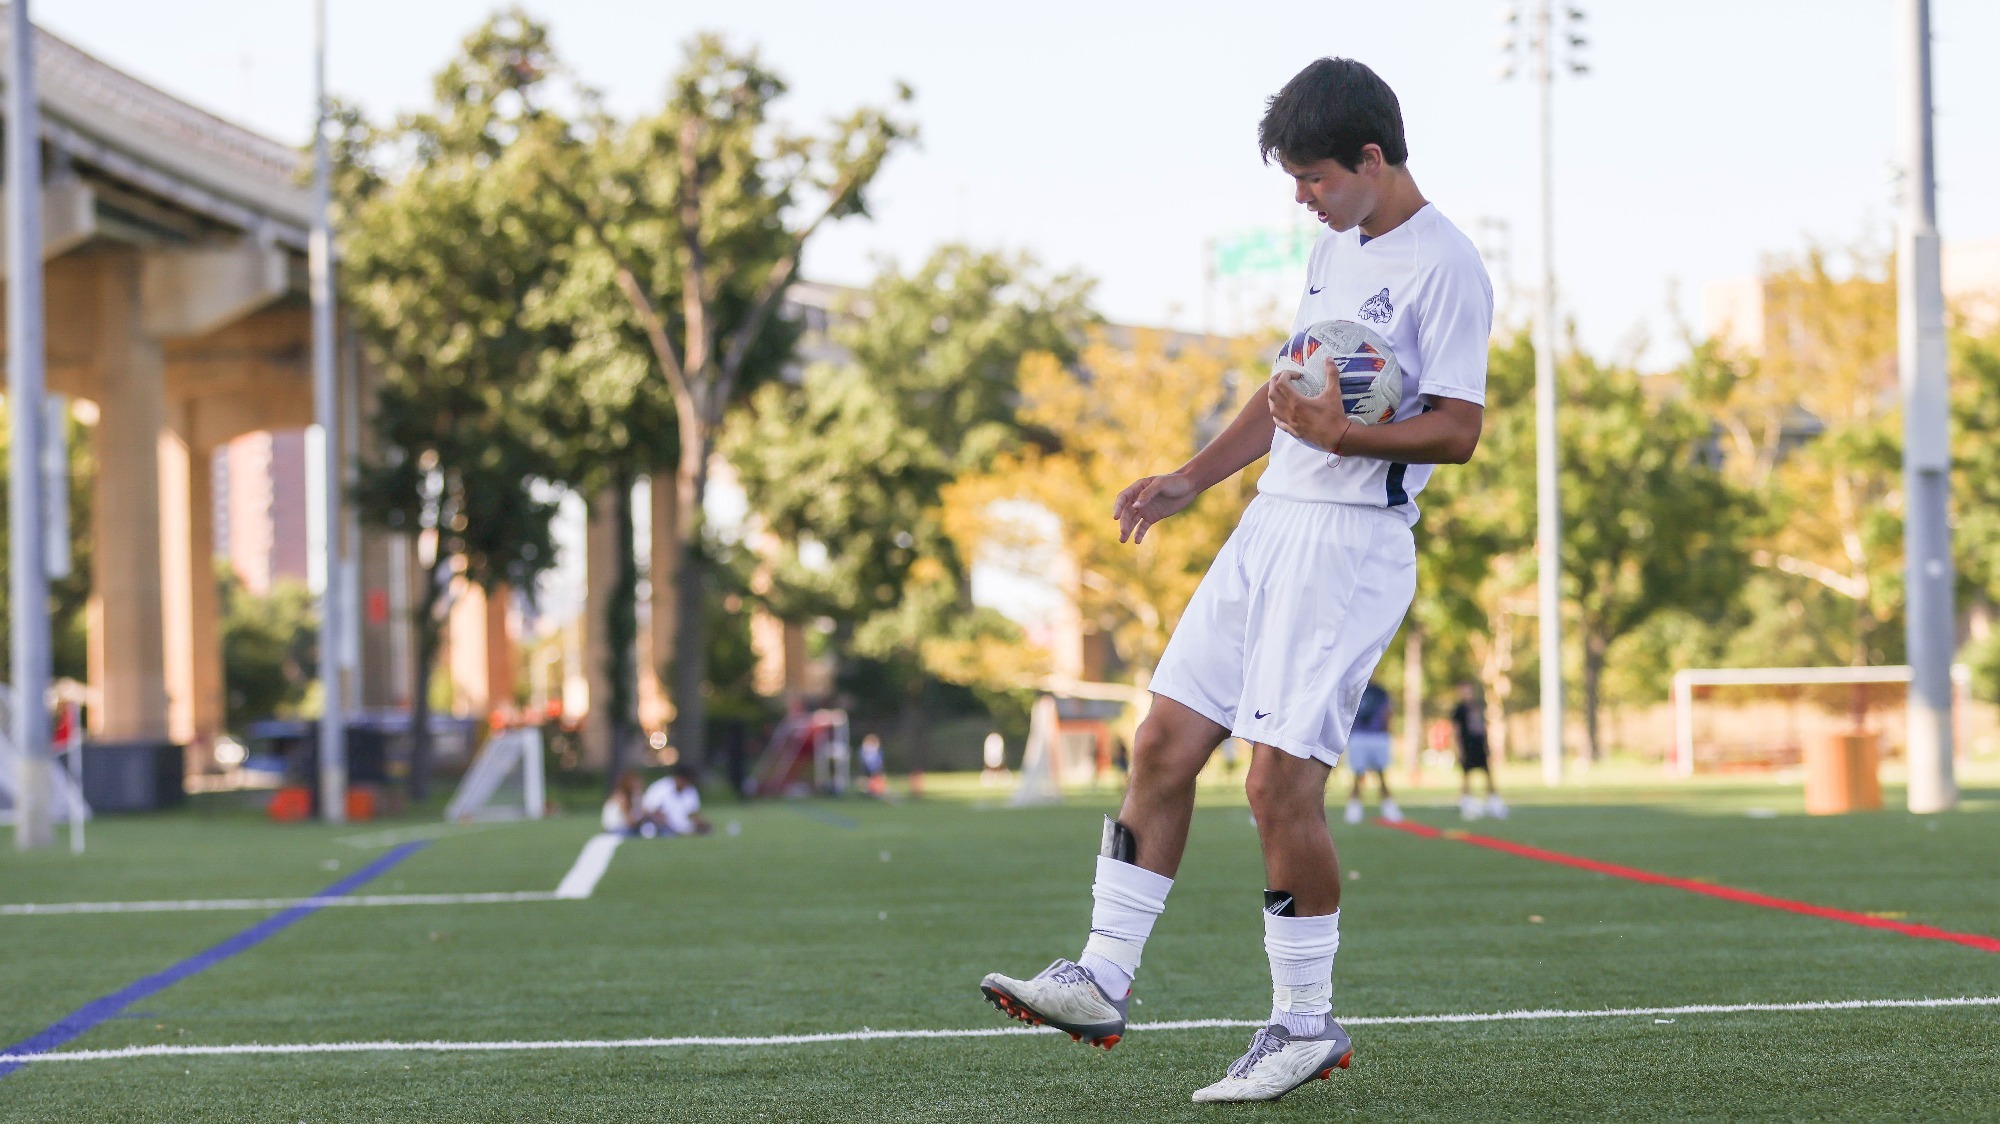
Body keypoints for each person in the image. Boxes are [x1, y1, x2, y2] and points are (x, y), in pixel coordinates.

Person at [978, 58, 1492, 1103]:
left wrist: (1346, 433)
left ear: (1371, 157)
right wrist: (1187, 479)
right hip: (1267, 525)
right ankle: (1100, 972)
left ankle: (1302, 1021)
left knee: (1274, 784)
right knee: (1160, 739)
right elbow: (1281, 391)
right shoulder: (1328, 246)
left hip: (1348, 545)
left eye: (1312, 176)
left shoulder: (1446, 265)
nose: (1300, 196)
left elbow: (1459, 427)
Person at [1343, 681, 1401, 824]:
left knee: (1381, 773)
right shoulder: (1353, 687)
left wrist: (1386, 733)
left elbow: (1387, 712)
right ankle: (1354, 808)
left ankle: (1388, 807)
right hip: (1359, 735)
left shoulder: (1380, 691)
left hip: (1377, 736)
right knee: (1358, 773)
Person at [1449, 682, 1504, 820]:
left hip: (1479, 745)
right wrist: (1458, 749)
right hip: (1467, 746)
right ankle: (1466, 801)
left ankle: (1494, 800)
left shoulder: (1478, 706)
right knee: (1466, 775)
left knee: (1487, 773)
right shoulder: (1459, 710)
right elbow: (1455, 730)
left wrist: (1489, 744)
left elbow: (1484, 726)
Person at [639, 765, 713, 837]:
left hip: (682, 827)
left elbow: (694, 813)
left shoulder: (690, 790)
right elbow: (647, 809)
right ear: (678, 778)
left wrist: (702, 823)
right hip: (662, 826)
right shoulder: (661, 788)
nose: (686, 784)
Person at [601, 771, 647, 835]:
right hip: (617, 829)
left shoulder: (635, 796)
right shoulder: (622, 797)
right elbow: (629, 822)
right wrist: (645, 815)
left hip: (622, 828)